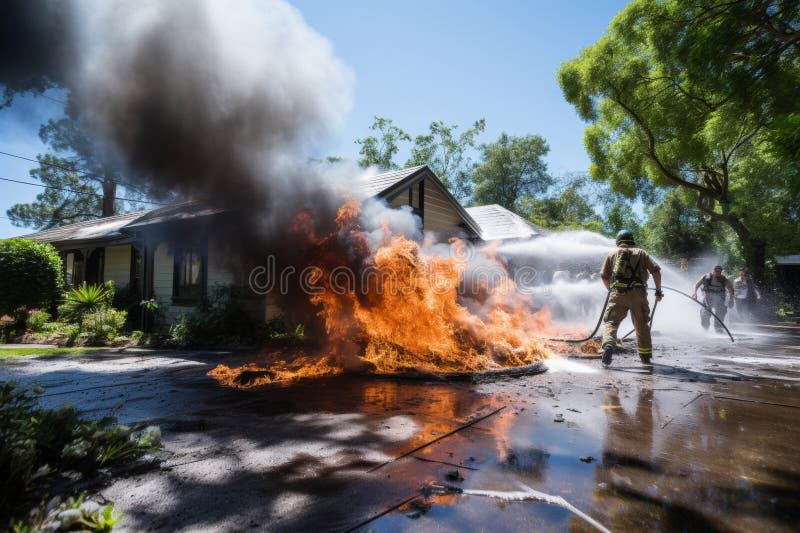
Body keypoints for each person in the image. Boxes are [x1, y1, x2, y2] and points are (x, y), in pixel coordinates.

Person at [599, 230, 663, 366]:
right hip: (638, 294)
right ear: (631, 240)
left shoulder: (612, 254)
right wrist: (658, 291)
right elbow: (656, 271)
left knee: (611, 322)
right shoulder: (641, 253)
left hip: (617, 293)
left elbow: (604, 276)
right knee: (641, 325)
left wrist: (611, 290)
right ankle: (645, 357)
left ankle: (609, 346)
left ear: (619, 240)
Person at [692, 265, 734, 332]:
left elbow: (731, 289)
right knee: (705, 315)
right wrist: (694, 293)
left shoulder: (723, 279)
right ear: (713, 271)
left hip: (720, 299)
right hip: (708, 299)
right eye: (716, 271)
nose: (717, 273)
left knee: (720, 315)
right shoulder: (706, 277)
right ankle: (705, 331)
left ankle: (718, 330)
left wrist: (731, 300)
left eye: (719, 271)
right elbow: (696, 285)